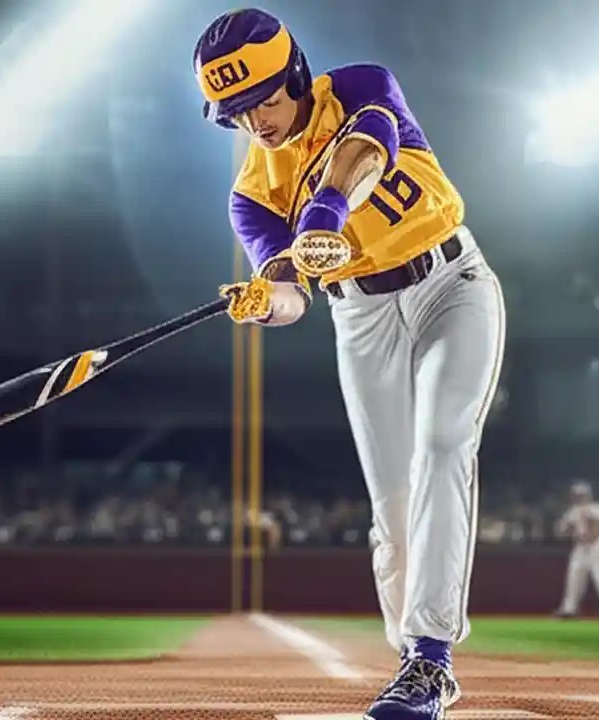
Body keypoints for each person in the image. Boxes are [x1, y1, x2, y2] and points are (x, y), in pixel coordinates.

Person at [192, 9, 506, 720]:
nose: (256, 121)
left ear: (295, 75)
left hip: (450, 285)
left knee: (444, 445)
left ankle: (431, 657)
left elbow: (368, 147)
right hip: (360, 315)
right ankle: (411, 659)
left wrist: (323, 214)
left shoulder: (362, 85)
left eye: (264, 99)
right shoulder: (250, 194)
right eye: (237, 111)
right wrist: (264, 300)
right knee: (392, 505)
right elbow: (288, 293)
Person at [553, 480, 599, 619]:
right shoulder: (572, 511)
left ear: (588, 495)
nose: (578, 497)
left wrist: (592, 534)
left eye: (581, 494)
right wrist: (569, 529)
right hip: (580, 546)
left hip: (596, 545)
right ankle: (569, 608)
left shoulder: (597, 508)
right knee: (574, 576)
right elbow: (562, 530)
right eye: (576, 495)